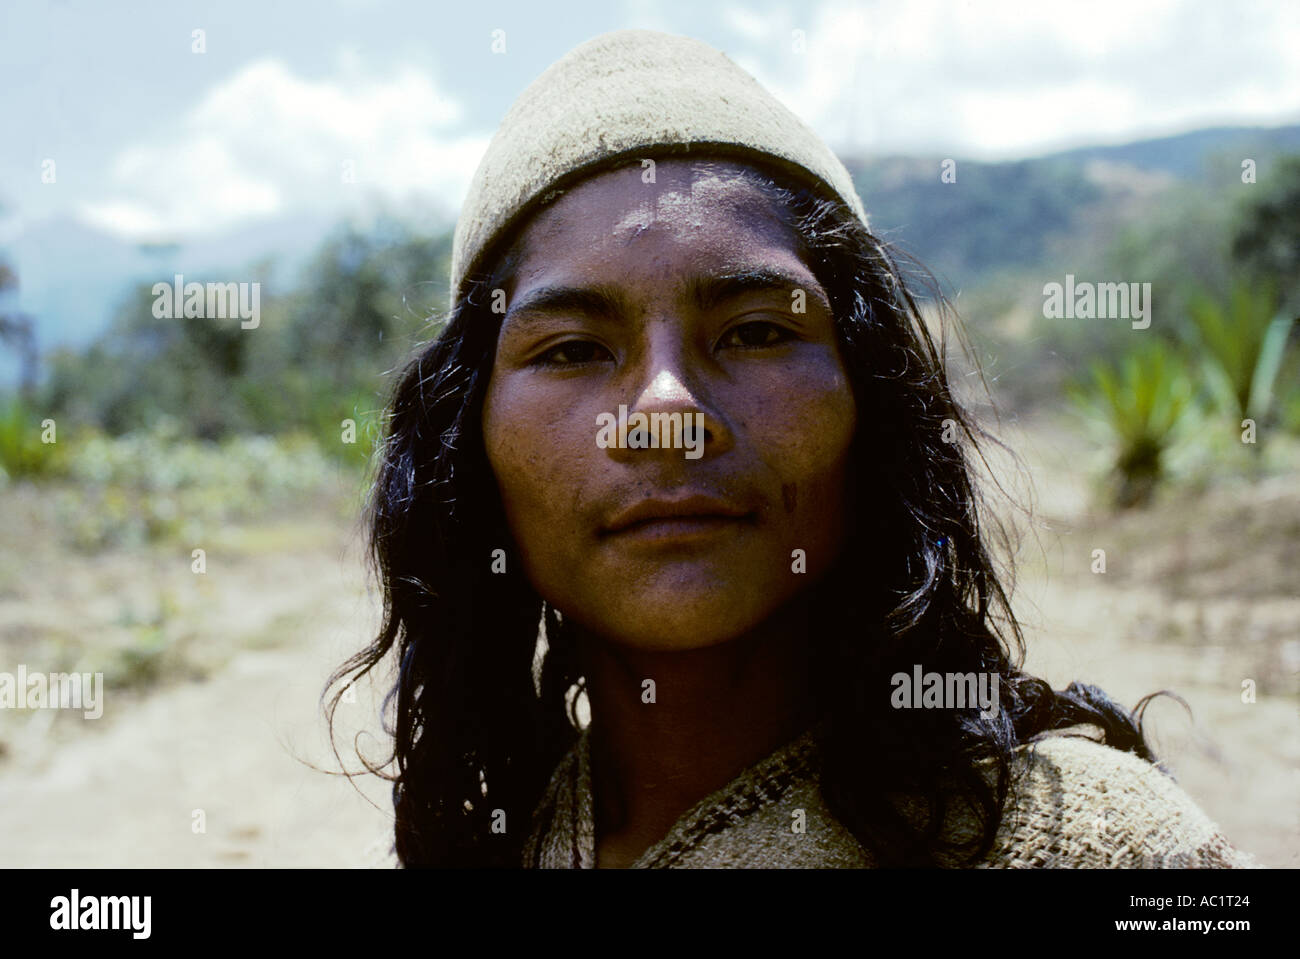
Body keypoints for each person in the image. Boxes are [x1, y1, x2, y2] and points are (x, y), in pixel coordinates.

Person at [330, 29, 1258, 869]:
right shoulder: (485, 840)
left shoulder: (1093, 849)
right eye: (572, 350)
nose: (666, 413)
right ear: (469, 443)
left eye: (757, 332)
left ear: (870, 398)